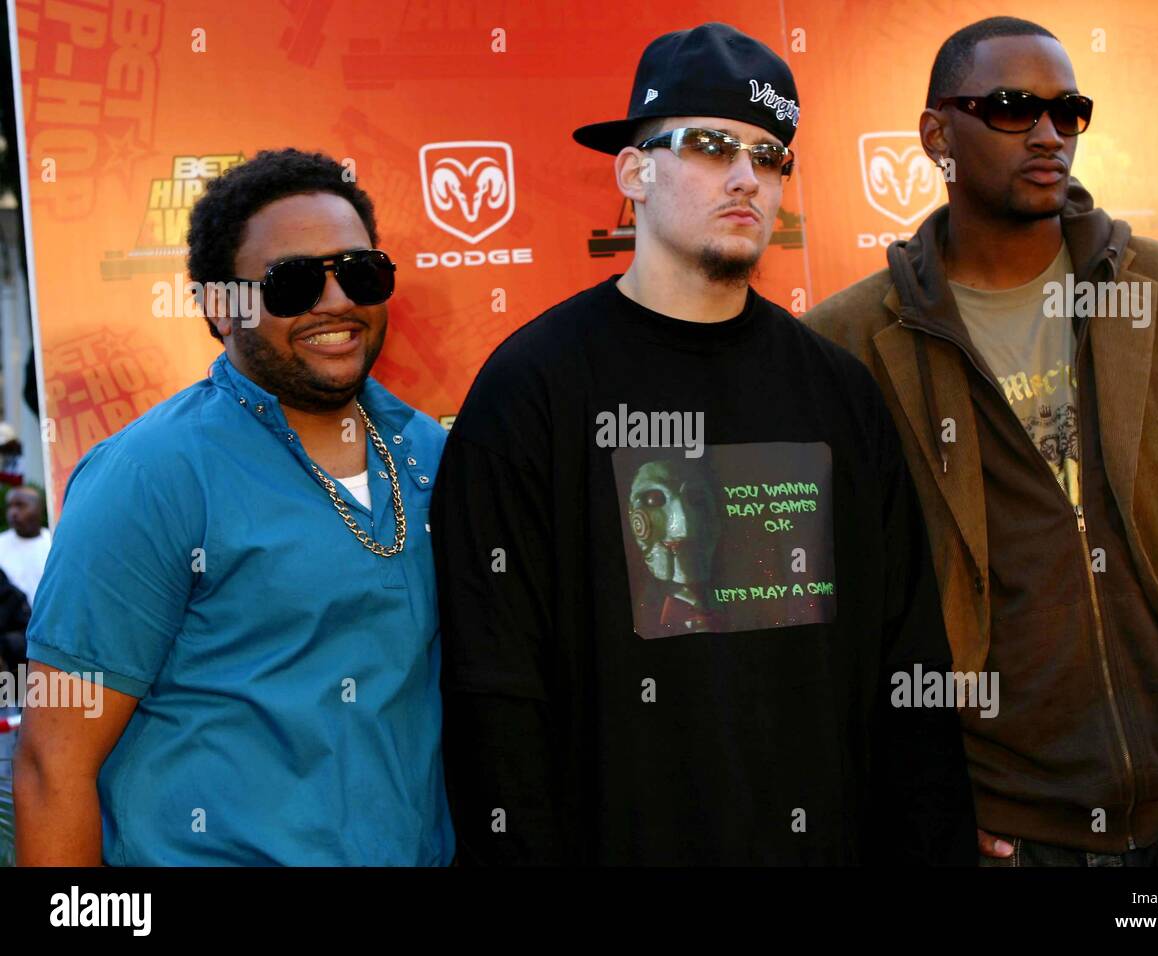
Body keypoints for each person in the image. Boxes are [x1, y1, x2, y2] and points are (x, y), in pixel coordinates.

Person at [432, 22, 976, 865]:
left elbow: (906, 654)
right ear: (633, 172)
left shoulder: (836, 392)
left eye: (770, 156)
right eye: (712, 144)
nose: (746, 178)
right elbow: (496, 690)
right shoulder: (532, 389)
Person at [806, 16, 1158, 866]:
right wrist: (924, 804)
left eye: (1067, 111)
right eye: (1010, 108)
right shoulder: (849, 341)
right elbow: (847, 618)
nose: (1046, 134)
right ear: (936, 136)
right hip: (1012, 838)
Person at [15, 148, 454, 866]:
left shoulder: (429, 453)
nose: (337, 301)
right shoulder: (150, 476)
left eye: (361, 272)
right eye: (293, 282)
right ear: (219, 306)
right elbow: (50, 769)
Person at [0, 485, 51, 609]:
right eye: (10, 506)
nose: (13, 512)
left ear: (39, 509)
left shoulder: (53, 542)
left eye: (20, 505)